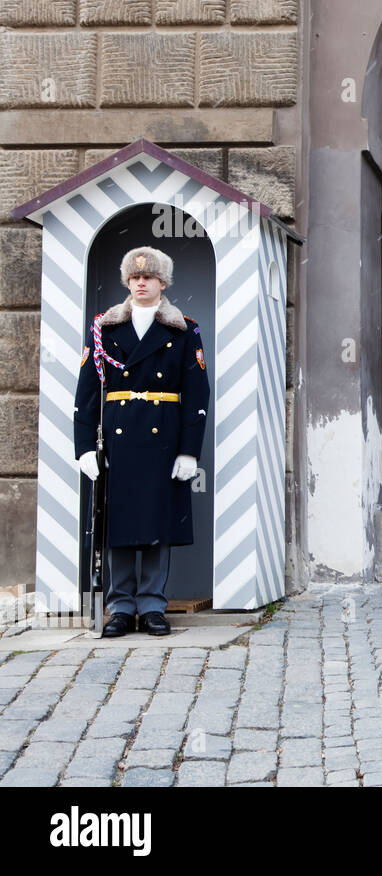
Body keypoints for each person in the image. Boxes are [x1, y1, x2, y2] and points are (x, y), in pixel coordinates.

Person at [74, 247, 211, 637]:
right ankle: (119, 607)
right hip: (117, 439)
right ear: (127, 281)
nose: (141, 282)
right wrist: (83, 445)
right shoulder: (105, 327)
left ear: (162, 283)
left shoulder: (183, 329)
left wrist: (189, 450)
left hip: (162, 437)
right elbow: (87, 390)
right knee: (114, 524)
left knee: (155, 523)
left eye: (149, 277)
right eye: (134, 277)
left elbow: (196, 394)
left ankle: (152, 605)